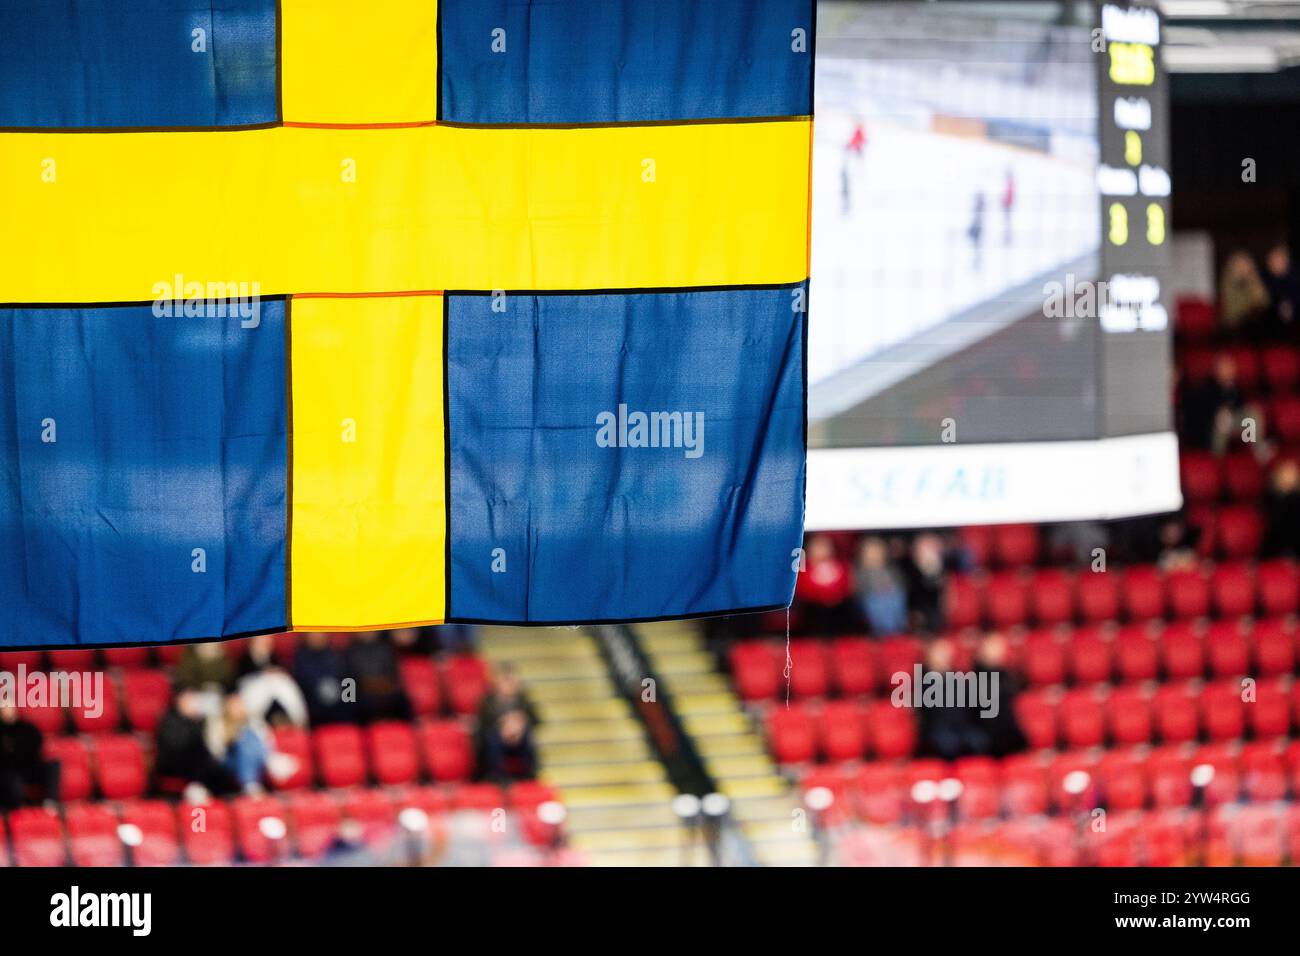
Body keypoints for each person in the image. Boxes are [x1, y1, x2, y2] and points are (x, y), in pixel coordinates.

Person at [154, 687, 239, 797]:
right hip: (175, 763)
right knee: (203, 759)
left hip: (197, 761)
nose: (193, 703)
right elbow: (177, 745)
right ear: (180, 701)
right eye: (189, 700)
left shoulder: (198, 721)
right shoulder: (169, 721)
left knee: (217, 765)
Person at [475, 665, 539, 784]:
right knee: (492, 741)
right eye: (506, 681)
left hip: (518, 738)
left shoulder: (523, 700)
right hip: (496, 738)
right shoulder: (488, 700)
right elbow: (482, 724)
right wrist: (502, 726)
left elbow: (537, 720)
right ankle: (497, 776)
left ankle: (529, 776)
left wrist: (522, 723)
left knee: (528, 738)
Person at [236, 633, 308, 730]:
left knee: (283, 682)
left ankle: (298, 721)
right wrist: (264, 673)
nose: (263, 642)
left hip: (272, 698)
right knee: (273, 681)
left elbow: (280, 673)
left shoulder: (273, 657)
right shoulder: (244, 659)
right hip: (251, 694)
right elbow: (242, 680)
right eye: (260, 639)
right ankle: (255, 724)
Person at [973, 633, 1027, 758]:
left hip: (1008, 732)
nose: (997, 651)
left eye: (999, 647)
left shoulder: (1005, 675)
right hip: (988, 735)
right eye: (992, 647)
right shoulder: (976, 677)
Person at [0, 703, 59, 810]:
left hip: (30, 767)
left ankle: (50, 802)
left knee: (53, 765)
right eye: (3, 709)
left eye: (8, 707)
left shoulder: (27, 727)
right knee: (11, 778)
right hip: (11, 771)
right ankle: (19, 808)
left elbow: (37, 744)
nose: (6, 711)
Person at [794, 534, 856, 633]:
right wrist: (822, 596)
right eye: (817, 547)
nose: (820, 551)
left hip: (837, 607)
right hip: (813, 608)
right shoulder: (804, 568)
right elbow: (802, 589)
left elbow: (846, 586)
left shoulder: (840, 566)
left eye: (824, 546)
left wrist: (834, 596)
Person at [345, 631, 411, 724]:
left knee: (402, 698)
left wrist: (382, 685)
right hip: (362, 693)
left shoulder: (386, 649)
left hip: (385, 690)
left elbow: (393, 675)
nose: (367, 632)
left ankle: (407, 729)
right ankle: (356, 730)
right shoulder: (350, 652)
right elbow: (349, 679)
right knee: (348, 698)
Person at [292, 631, 351, 726]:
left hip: (338, 706)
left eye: (320, 633)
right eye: (313, 634)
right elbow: (303, 684)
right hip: (314, 707)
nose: (317, 637)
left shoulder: (335, 655)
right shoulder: (301, 658)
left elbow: (346, 681)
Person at [216, 693, 270, 793]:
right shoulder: (219, 724)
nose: (238, 708)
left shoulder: (254, 723)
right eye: (234, 705)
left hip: (258, 762)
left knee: (250, 740)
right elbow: (217, 753)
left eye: (240, 704)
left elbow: (266, 745)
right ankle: (249, 783)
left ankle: (251, 783)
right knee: (244, 746)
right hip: (228, 764)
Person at [855, 536, 908, 637]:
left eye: (877, 551)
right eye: (870, 552)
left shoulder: (894, 572)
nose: (874, 556)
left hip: (895, 617)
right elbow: (860, 599)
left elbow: (900, 595)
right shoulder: (859, 575)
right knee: (875, 603)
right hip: (870, 620)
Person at [1218, 249, 1269, 336]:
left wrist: (1253, 283)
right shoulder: (1228, 282)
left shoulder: (1254, 279)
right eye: (1239, 264)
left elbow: (1264, 302)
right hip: (1234, 323)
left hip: (1253, 322)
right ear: (1233, 267)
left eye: (1246, 264)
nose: (1243, 267)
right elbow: (1234, 309)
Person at [905, 532, 947, 634]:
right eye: (925, 549)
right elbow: (912, 596)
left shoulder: (944, 569)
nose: (929, 553)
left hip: (938, 614)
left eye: (931, 549)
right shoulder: (911, 572)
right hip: (920, 612)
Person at [1263, 459, 1300, 558]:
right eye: (1286, 473)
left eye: (1295, 473)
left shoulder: (1295, 500)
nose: (1292, 477)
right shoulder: (1269, 501)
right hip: (1279, 553)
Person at [1261, 242, 1299, 338]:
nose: (1279, 262)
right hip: (1269, 329)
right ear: (1268, 262)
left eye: (1282, 258)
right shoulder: (1262, 280)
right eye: (1275, 258)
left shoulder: (1295, 278)